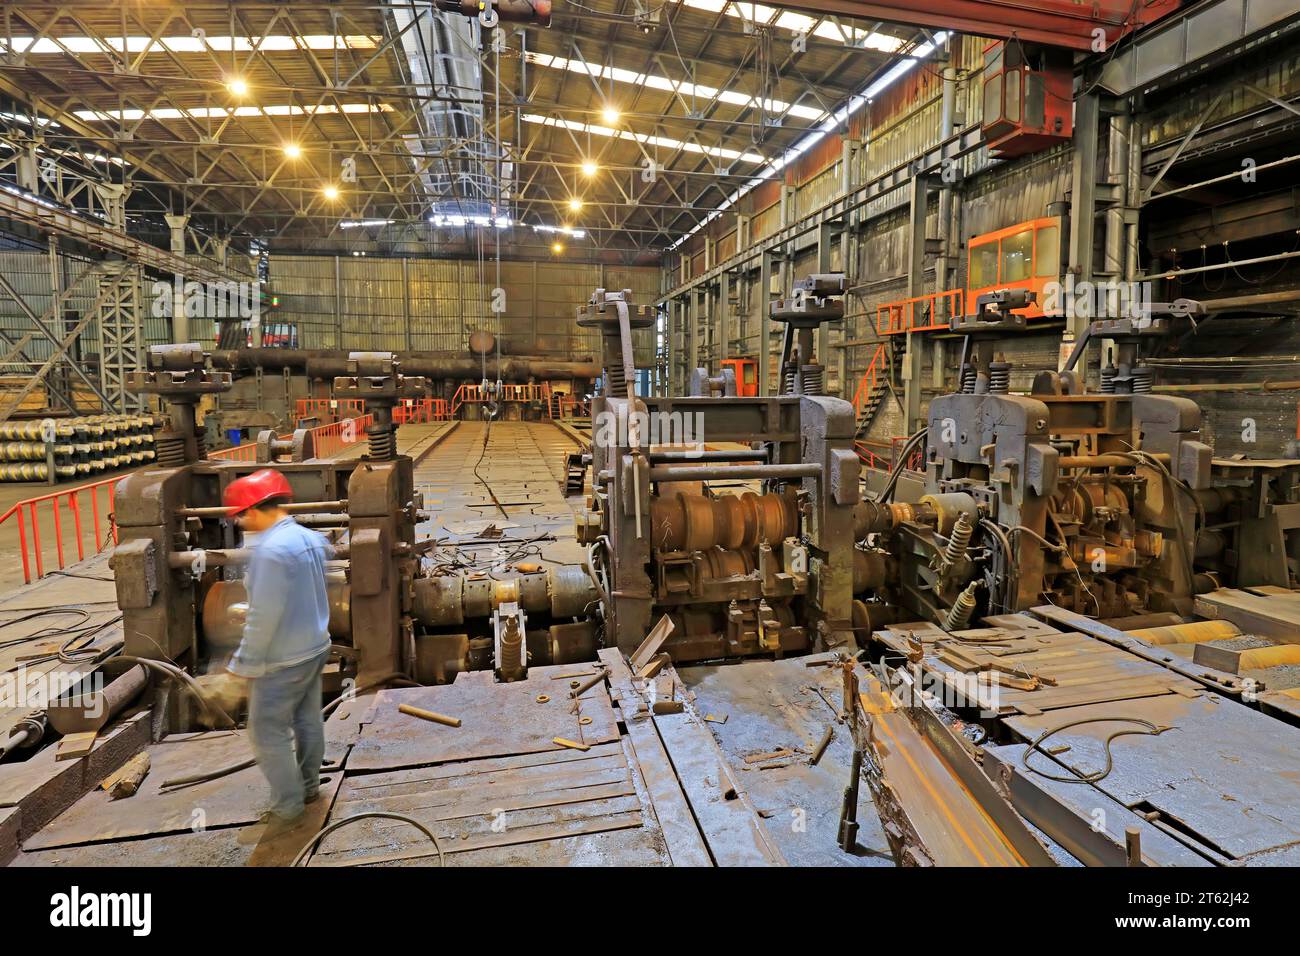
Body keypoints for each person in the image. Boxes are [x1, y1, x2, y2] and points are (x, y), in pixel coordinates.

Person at [222, 468, 333, 833]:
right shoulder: (310, 539)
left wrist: (244, 663)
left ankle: (288, 808)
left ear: (254, 510)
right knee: (307, 719)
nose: (240, 522)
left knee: (267, 730)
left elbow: (265, 618)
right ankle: (309, 789)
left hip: (282, 660)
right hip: (316, 647)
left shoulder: (270, 553)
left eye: (241, 515)